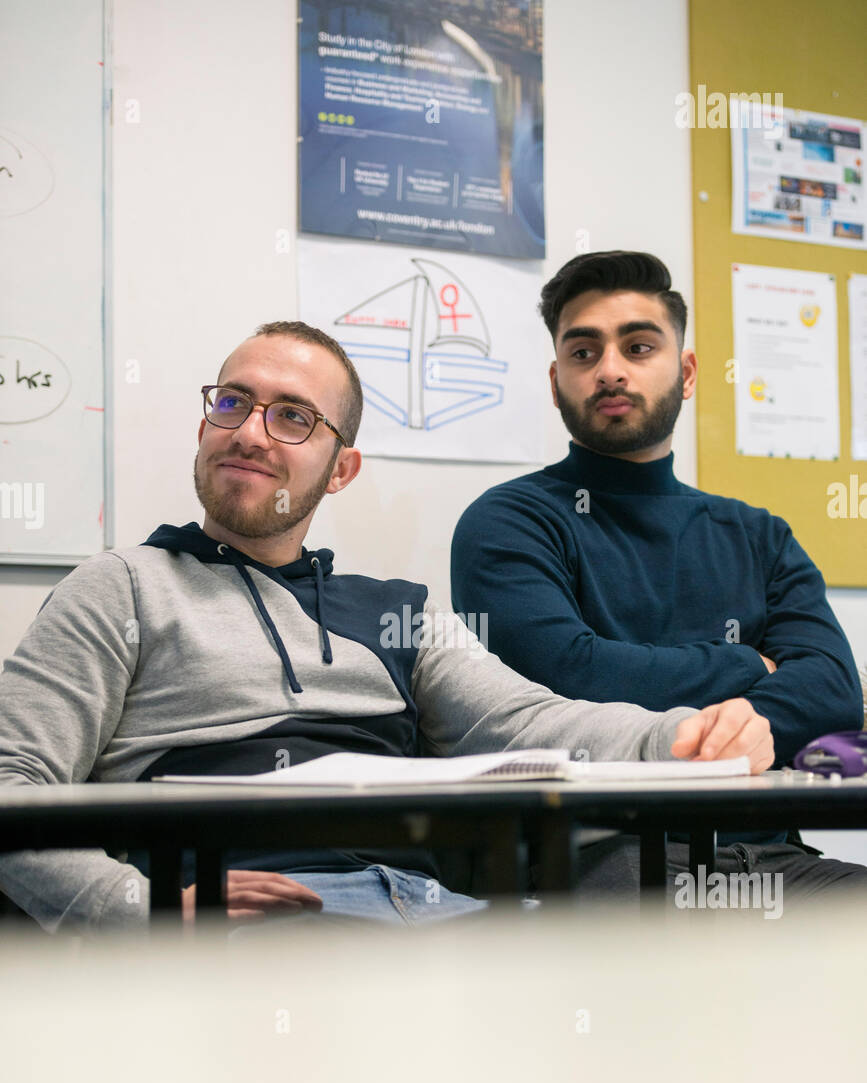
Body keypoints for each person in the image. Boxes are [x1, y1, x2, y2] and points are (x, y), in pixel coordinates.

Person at [0, 320, 774, 934]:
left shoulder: (396, 611)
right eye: (232, 403)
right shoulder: (123, 585)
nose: (250, 433)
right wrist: (145, 911)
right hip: (260, 926)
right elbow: (11, 785)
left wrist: (687, 734)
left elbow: (530, 722)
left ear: (341, 470)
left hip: (435, 906)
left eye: (294, 418)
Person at [451, 251, 866, 899]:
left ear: (687, 371)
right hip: (591, 856)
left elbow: (833, 691)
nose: (610, 370)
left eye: (638, 347)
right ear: (557, 378)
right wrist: (748, 667)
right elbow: (567, 675)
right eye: (583, 353)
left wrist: (739, 719)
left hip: (770, 856)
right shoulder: (508, 522)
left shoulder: (757, 534)